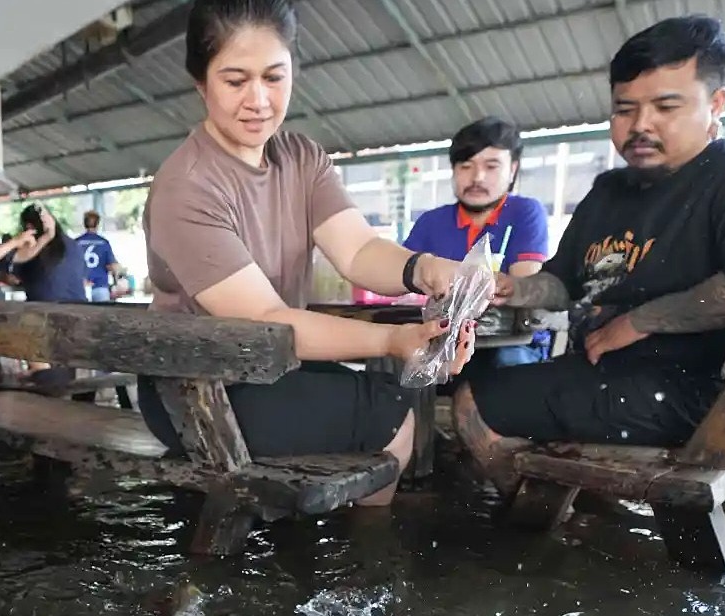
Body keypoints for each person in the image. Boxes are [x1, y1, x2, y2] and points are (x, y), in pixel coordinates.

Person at [452, 14, 725, 492]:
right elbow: (563, 282)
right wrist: (512, 288)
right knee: (507, 383)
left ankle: (534, 516)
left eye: (666, 107)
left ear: (716, 104)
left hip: (689, 392)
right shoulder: (609, 190)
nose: (640, 125)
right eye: (625, 109)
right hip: (609, 375)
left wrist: (640, 321)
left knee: (472, 398)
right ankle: (569, 500)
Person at [138, 0, 477, 507]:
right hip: (196, 385)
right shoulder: (187, 188)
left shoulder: (301, 157)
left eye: (274, 77)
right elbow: (265, 319)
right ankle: (366, 559)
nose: (258, 100)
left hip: (268, 367)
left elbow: (359, 249)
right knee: (387, 415)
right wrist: (392, 341)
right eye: (235, 81)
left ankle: (351, 554)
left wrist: (421, 268)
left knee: (388, 404)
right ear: (199, 83)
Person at [404, 115, 551, 367]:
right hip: (439, 340)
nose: (477, 177)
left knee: (502, 374)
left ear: (512, 169)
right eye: (465, 166)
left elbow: (525, 282)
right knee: (391, 368)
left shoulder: (525, 213)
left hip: (509, 342)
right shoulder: (430, 222)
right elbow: (400, 284)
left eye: (492, 166)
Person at [11, 205, 88, 303]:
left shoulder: (32, 248)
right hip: (80, 307)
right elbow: (83, 279)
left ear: (29, 227)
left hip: (44, 310)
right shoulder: (74, 245)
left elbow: (14, 279)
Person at [76, 211, 125, 302]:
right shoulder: (104, 243)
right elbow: (112, 266)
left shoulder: (75, 243)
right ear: (97, 224)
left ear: (84, 223)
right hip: (100, 286)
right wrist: (119, 278)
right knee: (102, 314)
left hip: (80, 287)